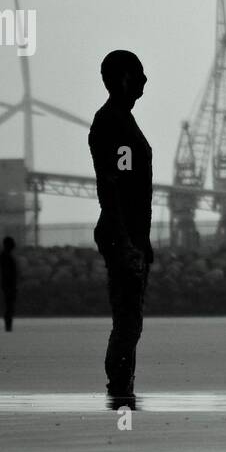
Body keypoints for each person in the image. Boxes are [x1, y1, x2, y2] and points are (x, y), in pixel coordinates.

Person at [88, 50, 154, 402]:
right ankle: (119, 392)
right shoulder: (111, 122)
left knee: (131, 322)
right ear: (125, 78)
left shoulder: (121, 120)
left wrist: (141, 240)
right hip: (121, 235)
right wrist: (127, 241)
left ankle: (123, 389)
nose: (145, 80)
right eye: (139, 74)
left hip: (129, 235)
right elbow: (110, 186)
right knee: (127, 321)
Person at [0, 236, 18, 332]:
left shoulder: (5, 256)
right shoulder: (6, 257)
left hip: (8, 285)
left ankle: (8, 326)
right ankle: (8, 327)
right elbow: (7, 273)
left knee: (9, 307)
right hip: (8, 285)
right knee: (9, 307)